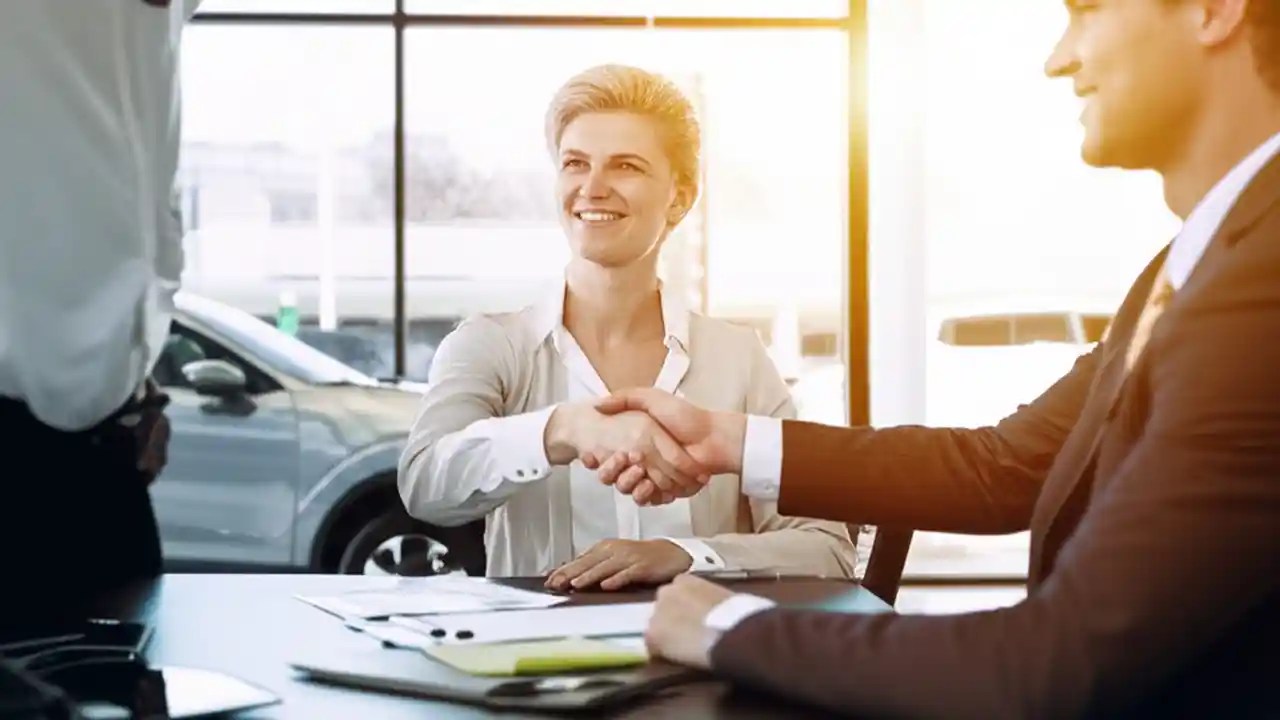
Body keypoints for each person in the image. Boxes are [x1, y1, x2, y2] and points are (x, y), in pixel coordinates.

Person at [589, 0, 1280, 716]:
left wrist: (728, 626)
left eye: (1087, 11)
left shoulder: (1261, 283)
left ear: (1213, 11)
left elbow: (1056, 660)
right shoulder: (1193, 265)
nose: (1060, 58)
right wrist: (727, 442)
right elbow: (1003, 468)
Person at [397, 64, 856, 590]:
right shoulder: (491, 345)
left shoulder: (739, 359)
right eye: (575, 163)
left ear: (679, 197)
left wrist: (685, 555)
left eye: (625, 166)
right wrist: (563, 430)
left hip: (700, 638)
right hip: (544, 640)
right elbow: (425, 483)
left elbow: (826, 547)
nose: (592, 188)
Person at [0, 0, 202, 604]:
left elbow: (137, 218)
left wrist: (134, 370)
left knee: (122, 641)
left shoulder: (149, 25)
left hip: (104, 456)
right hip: (41, 440)